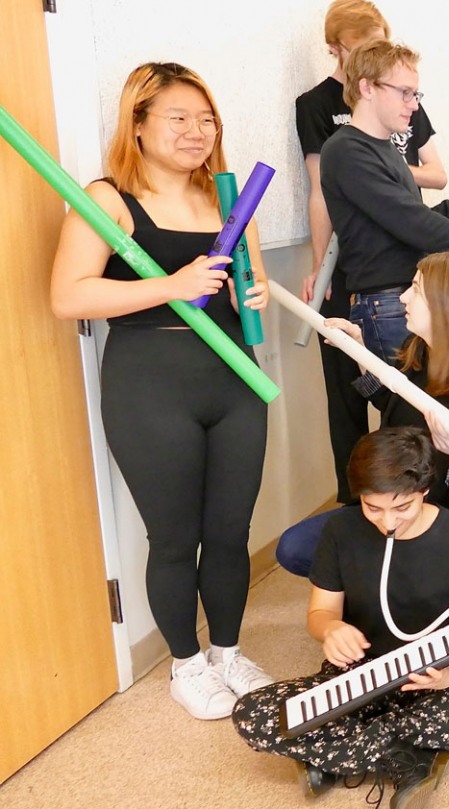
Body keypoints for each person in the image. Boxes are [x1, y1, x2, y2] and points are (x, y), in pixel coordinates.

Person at [50, 61, 272, 720]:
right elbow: (69, 294)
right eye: (178, 118)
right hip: (150, 384)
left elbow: (250, 285)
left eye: (206, 119)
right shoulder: (109, 198)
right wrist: (172, 285)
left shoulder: (231, 197)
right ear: (138, 124)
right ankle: (186, 662)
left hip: (234, 379)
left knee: (230, 531)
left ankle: (229, 652)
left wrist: (251, 291)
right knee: (175, 537)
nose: (196, 131)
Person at [233, 427, 449, 807]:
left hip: (427, 677)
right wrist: (330, 629)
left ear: (425, 490)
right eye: (373, 508)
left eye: (402, 507)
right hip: (355, 676)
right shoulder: (340, 530)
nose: (387, 523)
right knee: (251, 715)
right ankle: (408, 755)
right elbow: (321, 612)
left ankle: (335, 751)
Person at [276, 252, 449, 618]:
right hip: (397, 507)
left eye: (415, 290)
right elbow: (393, 402)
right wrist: (359, 349)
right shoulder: (419, 352)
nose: (403, 297)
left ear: (446, 305)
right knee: (296, 548)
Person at [295, 0, 449, 503]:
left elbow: (431, 176)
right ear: (339, 53)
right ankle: (358, 503)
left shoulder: (395, 116)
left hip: (408, 257)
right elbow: (320, 190)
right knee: (354, 383)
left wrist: (394, 178)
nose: (407, 99)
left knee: (409, 398)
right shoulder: (322, 111)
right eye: (365, 52)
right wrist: (321, 266)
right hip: (359, 263)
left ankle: (410, 503)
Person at [320, 38, 449, 364]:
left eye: (415, 94)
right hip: (388, 304)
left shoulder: (386, 149)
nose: (413, 104)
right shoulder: (346, 151)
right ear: (367, 87)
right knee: (408, 411)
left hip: (409, 297)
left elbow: (405, 217)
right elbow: (412, 223)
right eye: (404, 92)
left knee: (433, 409)